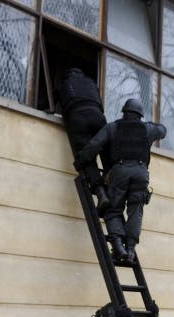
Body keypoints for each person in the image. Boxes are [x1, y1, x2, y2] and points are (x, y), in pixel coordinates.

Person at [75, 99, 166, 263]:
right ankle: (130, 250)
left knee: (113, 209)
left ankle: (118, 246)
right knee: (135, 210)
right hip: (141, 173)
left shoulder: (113, 127)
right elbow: (162, 130)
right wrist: (150, 125)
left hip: (120, 171)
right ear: (140, 115)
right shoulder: (147, 129)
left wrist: (80, 161)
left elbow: (94, 145)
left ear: (124, 112)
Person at [56, 68, 111, 213]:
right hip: (98, 116)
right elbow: (101, 106)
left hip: (78, 117)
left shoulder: (65, 84)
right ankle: (111, 187)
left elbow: (60, 106)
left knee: (86, 158)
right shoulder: (91, 83)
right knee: (106, 152)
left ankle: (101, 193)